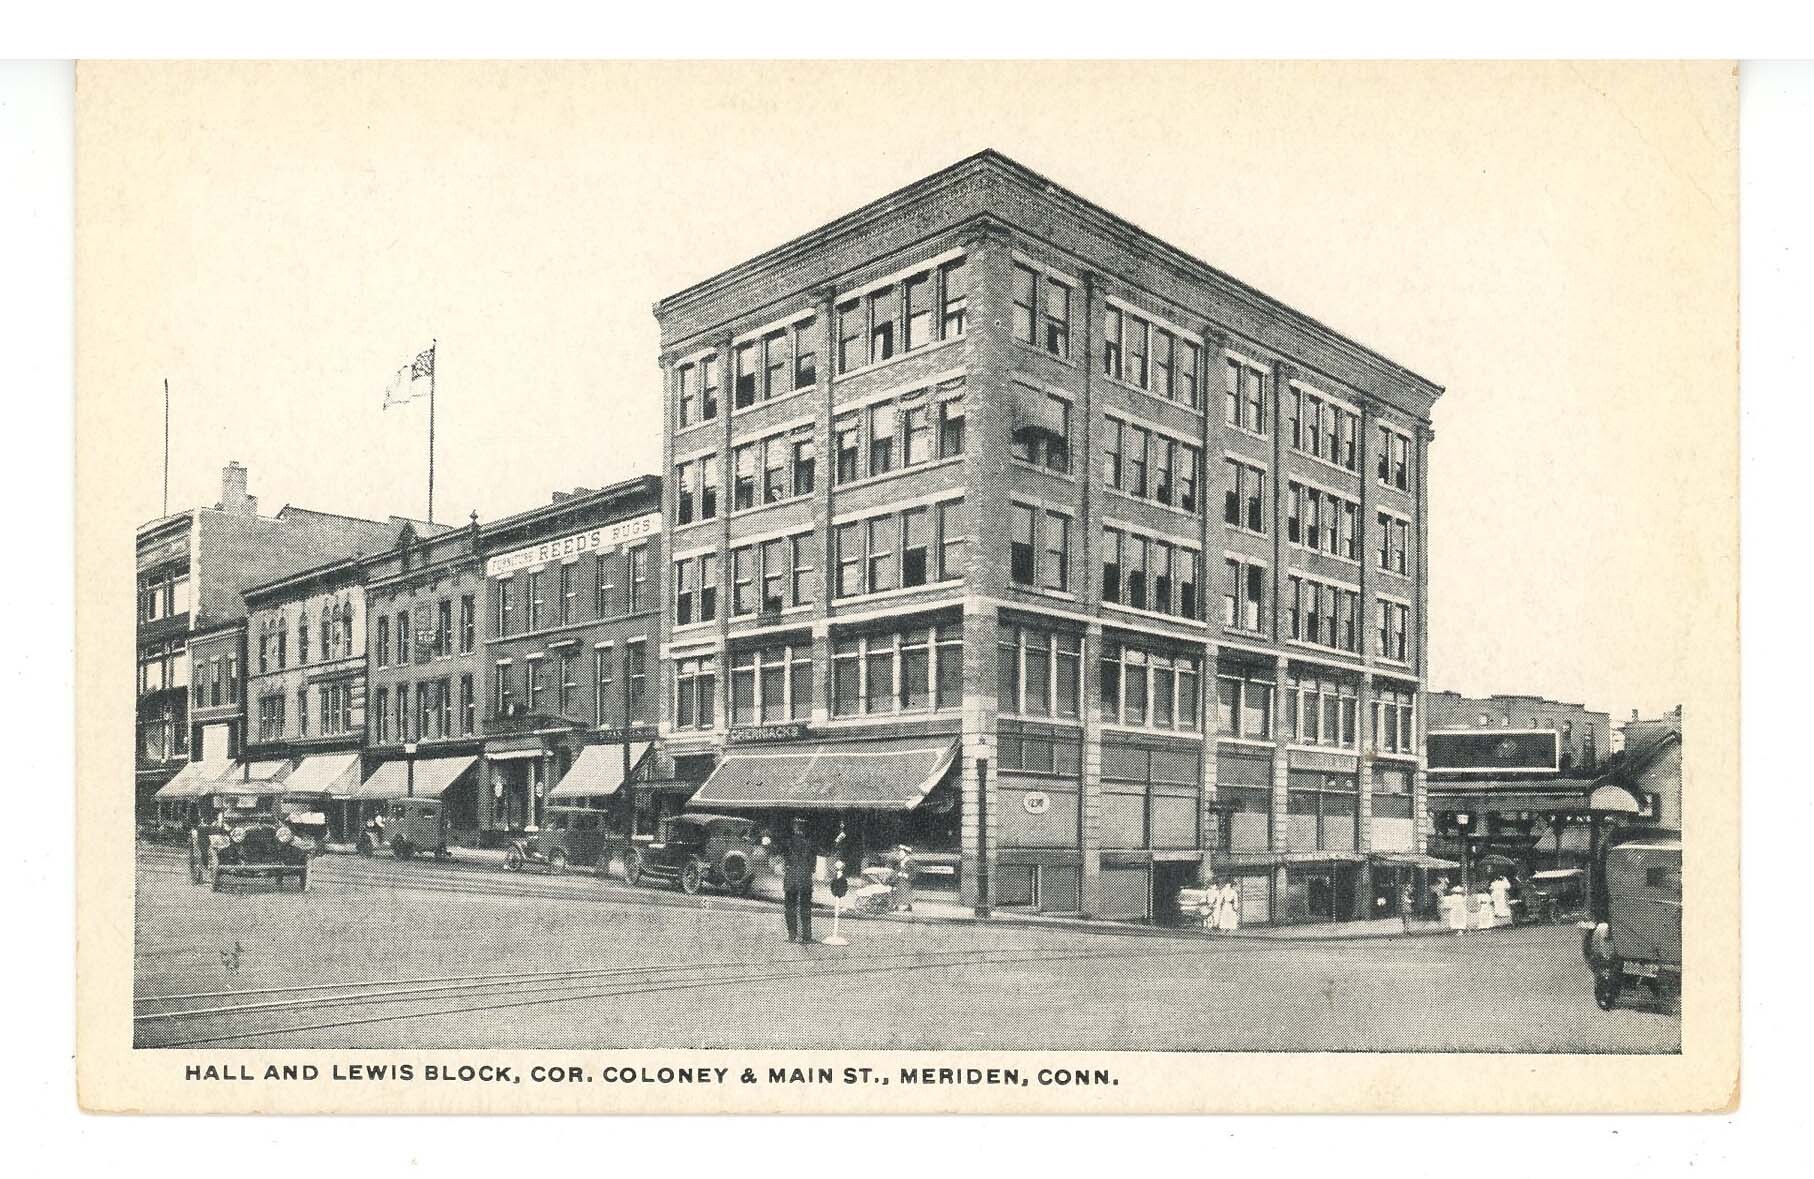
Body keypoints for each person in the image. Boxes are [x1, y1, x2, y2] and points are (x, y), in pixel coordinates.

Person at [783, 818, 816, 944]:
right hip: (805, 878)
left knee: (790, 907)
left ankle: (792, 934)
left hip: (791, 878)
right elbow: (813, 864)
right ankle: (807, 935)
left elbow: (785, 858)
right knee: (806, 907)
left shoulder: (789, 842)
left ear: (794, 827)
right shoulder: (810, 843)